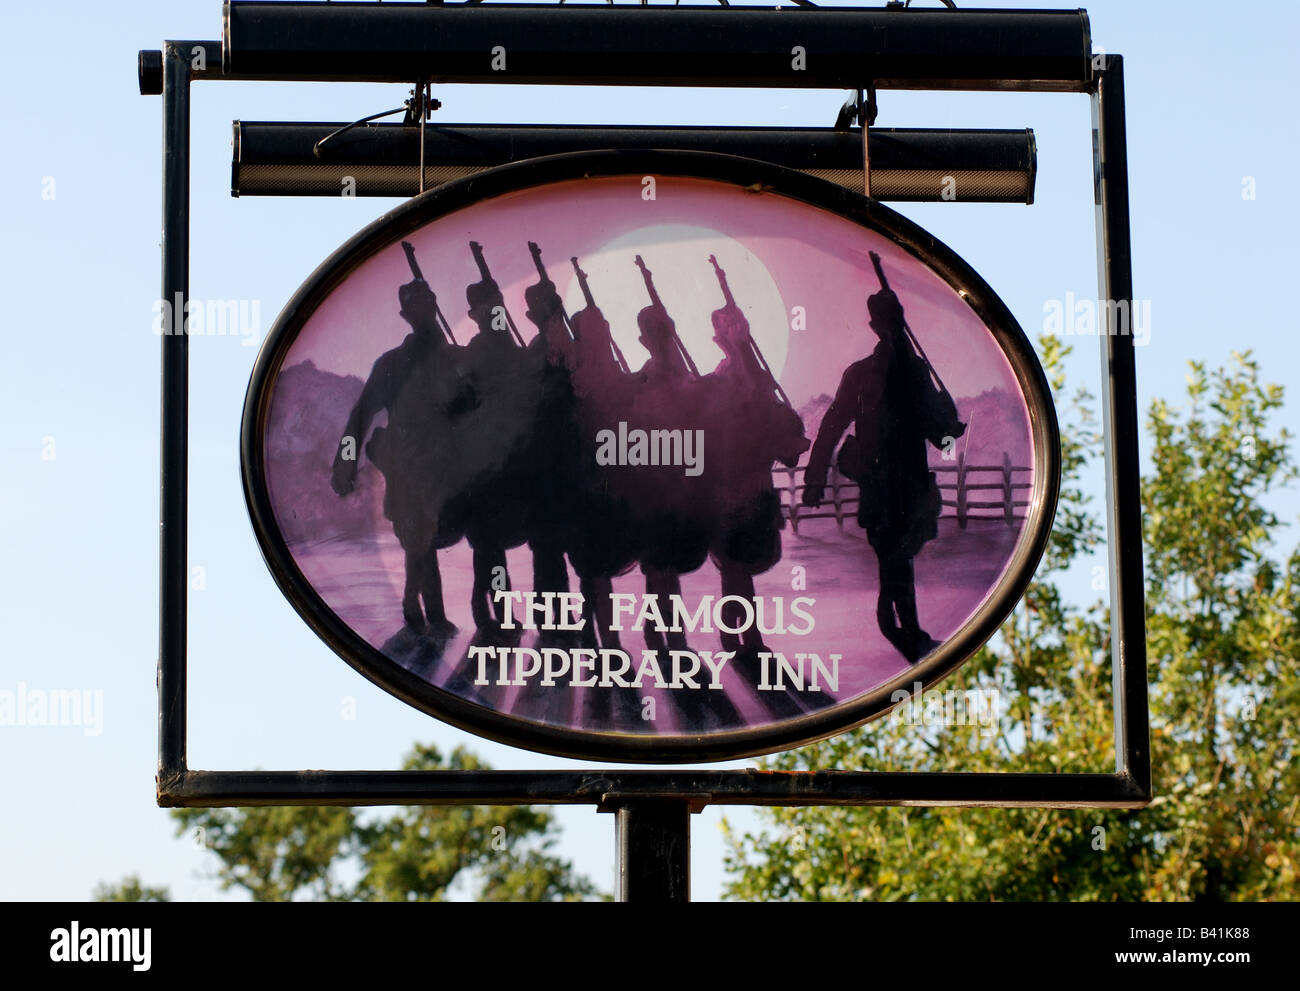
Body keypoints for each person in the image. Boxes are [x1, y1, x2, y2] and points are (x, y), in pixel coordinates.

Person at [802, 286, 964, 663]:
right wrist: (815, 478)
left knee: (897, 558)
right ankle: (904, 628)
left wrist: (947, 422)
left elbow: (939, 437)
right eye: (887, 320)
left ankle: (897, 622)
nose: (891, 327)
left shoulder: (914, 373)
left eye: (896, 319)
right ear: (876, 325)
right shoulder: (862, 375)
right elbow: (832, 425)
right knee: (894, 558)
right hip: (880, 486)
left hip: (910, 487)